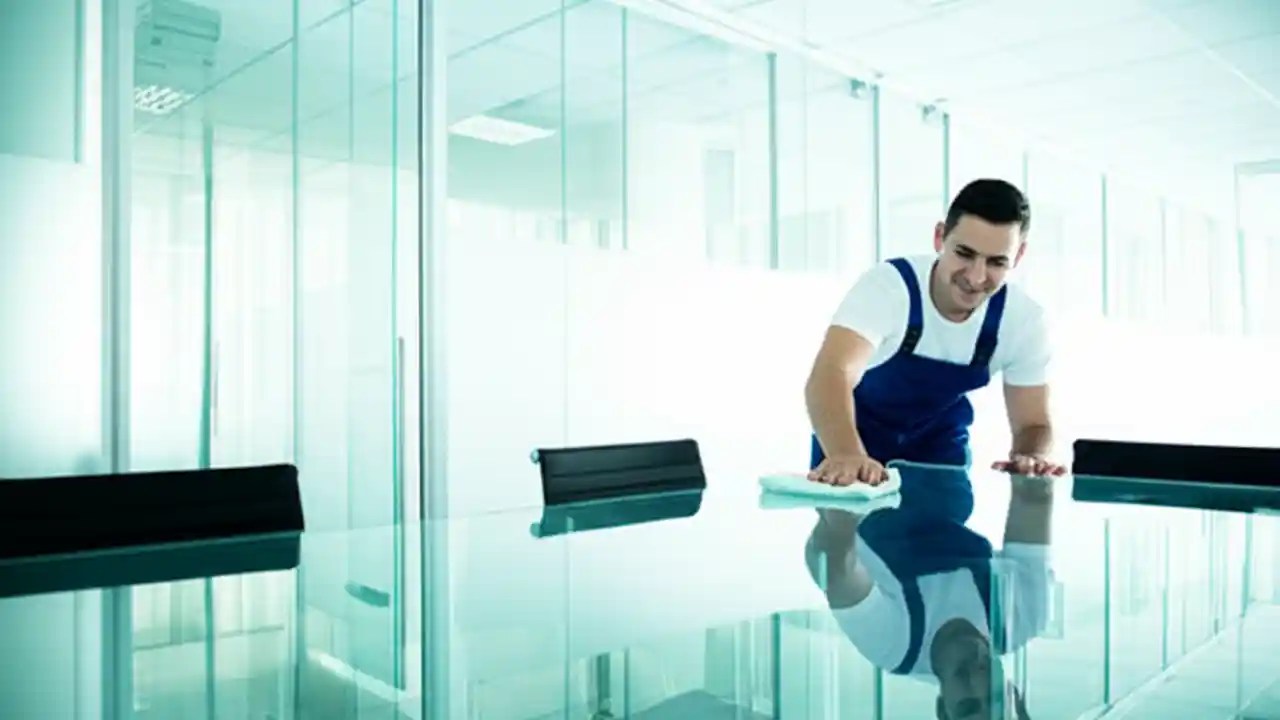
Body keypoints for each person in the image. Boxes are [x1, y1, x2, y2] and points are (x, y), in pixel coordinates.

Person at [805, 178, 1067, 485]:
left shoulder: (1024, 321)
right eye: (964, 254)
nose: (976, 276)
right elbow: (830, 375)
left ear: (1019, 256)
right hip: (850, 452)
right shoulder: (888, 287)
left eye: (997, 262)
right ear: (940, 237)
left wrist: (1032, 456)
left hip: (940, 464)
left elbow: (1033, 424)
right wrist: (847, 455)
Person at [804, 464, 1056, 719]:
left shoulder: (893, 644)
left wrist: (843, 505)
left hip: (858, 462)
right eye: (996, 698)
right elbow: (1033, 495)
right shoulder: (1022, 617)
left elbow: (835, 569)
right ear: (1014, 690)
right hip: (941, 455)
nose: (977, 683)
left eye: (967, 705)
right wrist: (1032, 461)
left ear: (943, 710)